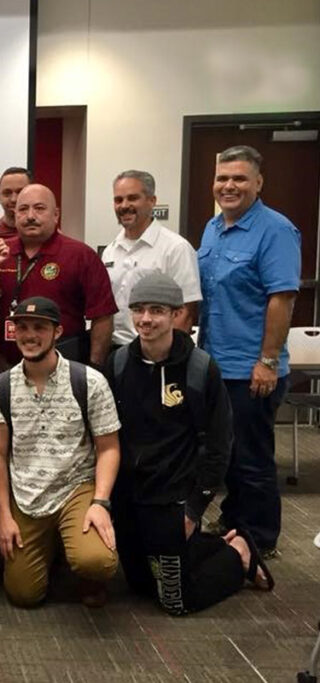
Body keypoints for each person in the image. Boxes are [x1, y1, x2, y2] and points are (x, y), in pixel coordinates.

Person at [104, 272, 274, 615]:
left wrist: (195, 508)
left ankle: (237, 551)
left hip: (173, 496)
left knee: (176, 600)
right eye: (138, 310)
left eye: (156, 310)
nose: (146, 319)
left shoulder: (200, 368)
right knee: (139, 585)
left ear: (176, 314)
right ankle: (203, 546)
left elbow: (219, 444)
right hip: (132, 495)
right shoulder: (119, 364)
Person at [197, 145, 301, 557]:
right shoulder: (212, 228)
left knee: (252, 458)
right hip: (216, 364)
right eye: (223, 178)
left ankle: (259, 538)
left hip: (252, 368)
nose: (229, 186)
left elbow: (282, 298)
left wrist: (268, 361)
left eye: (239, 178)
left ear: (258, 183)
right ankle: (235, 518)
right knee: (227, 452)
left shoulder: (275, 230)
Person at [0, 297, 121, 607]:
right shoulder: (1, 387)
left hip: (76, 488)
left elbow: (109, 447)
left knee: (96, 561)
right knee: (23, 595)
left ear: (57, 331)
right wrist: (4, 515)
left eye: (39, 327)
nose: (29, 335)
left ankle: (83, 566)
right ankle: (54, 551)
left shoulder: (88, 381)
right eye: (22, 327)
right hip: (26, 495)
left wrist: (100, 502)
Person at [0, 184, 117, 368]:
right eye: (23, 209)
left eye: (39, 208)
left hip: (66, 369)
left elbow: (103, 316)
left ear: (56, 215)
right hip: (4, 369)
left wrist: (93, 368)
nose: (30, 216)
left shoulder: (81, 255)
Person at [100, 170, 201, 347]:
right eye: (118, 200)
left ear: (152, 201)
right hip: (116, 352)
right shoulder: (110, 251)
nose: (124, 205)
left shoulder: (176, 248)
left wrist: (166, 355)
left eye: (132, 198)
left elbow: (185, 311)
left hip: (156, 352)